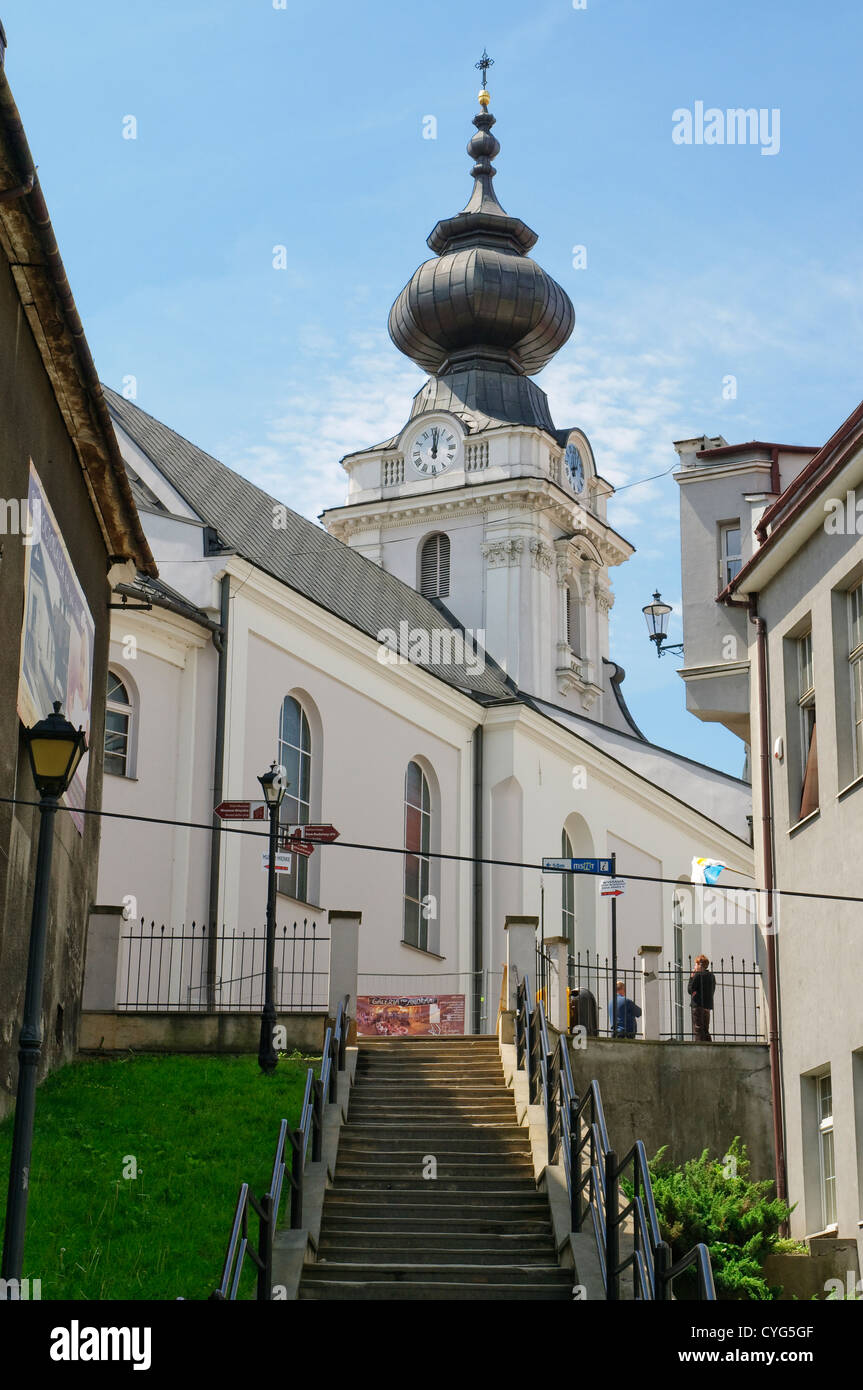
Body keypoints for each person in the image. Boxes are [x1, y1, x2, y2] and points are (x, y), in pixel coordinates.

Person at [688, 954, 716, 1041]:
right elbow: (712, 990)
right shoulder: (711, 976)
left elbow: (690, 990)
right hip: (707, 1006)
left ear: (700, 965)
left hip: (697, 1005)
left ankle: (699, 1047)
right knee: (705, 1029)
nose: (694, 966)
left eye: (696, 964)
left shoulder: (698, 975)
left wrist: (691, 977)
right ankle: (709, 1047)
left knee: (698, 1029)